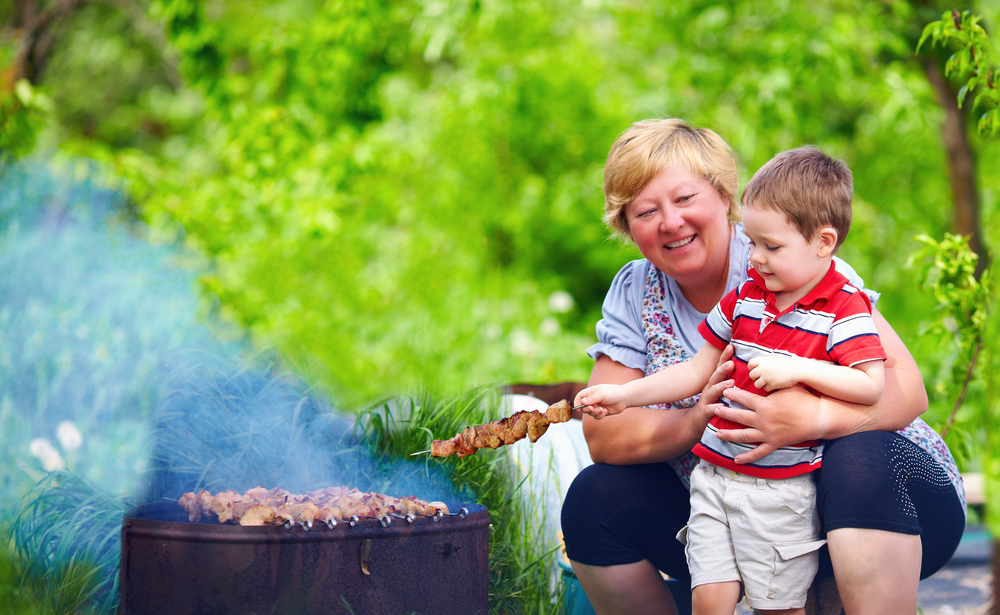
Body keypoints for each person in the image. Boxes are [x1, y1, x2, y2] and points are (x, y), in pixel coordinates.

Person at [560, 119, 967, 615]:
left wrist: (812, 418)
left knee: (859, 460)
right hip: (732, 509)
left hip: (877, 497)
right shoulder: (634, 290)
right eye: (646, 211)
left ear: (722, 195)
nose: (670, 222)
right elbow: (606, 438)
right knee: (593, 500)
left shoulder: (791, 256)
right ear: (626, 225)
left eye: (685, 198)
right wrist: (696, 419)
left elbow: (907, 392)